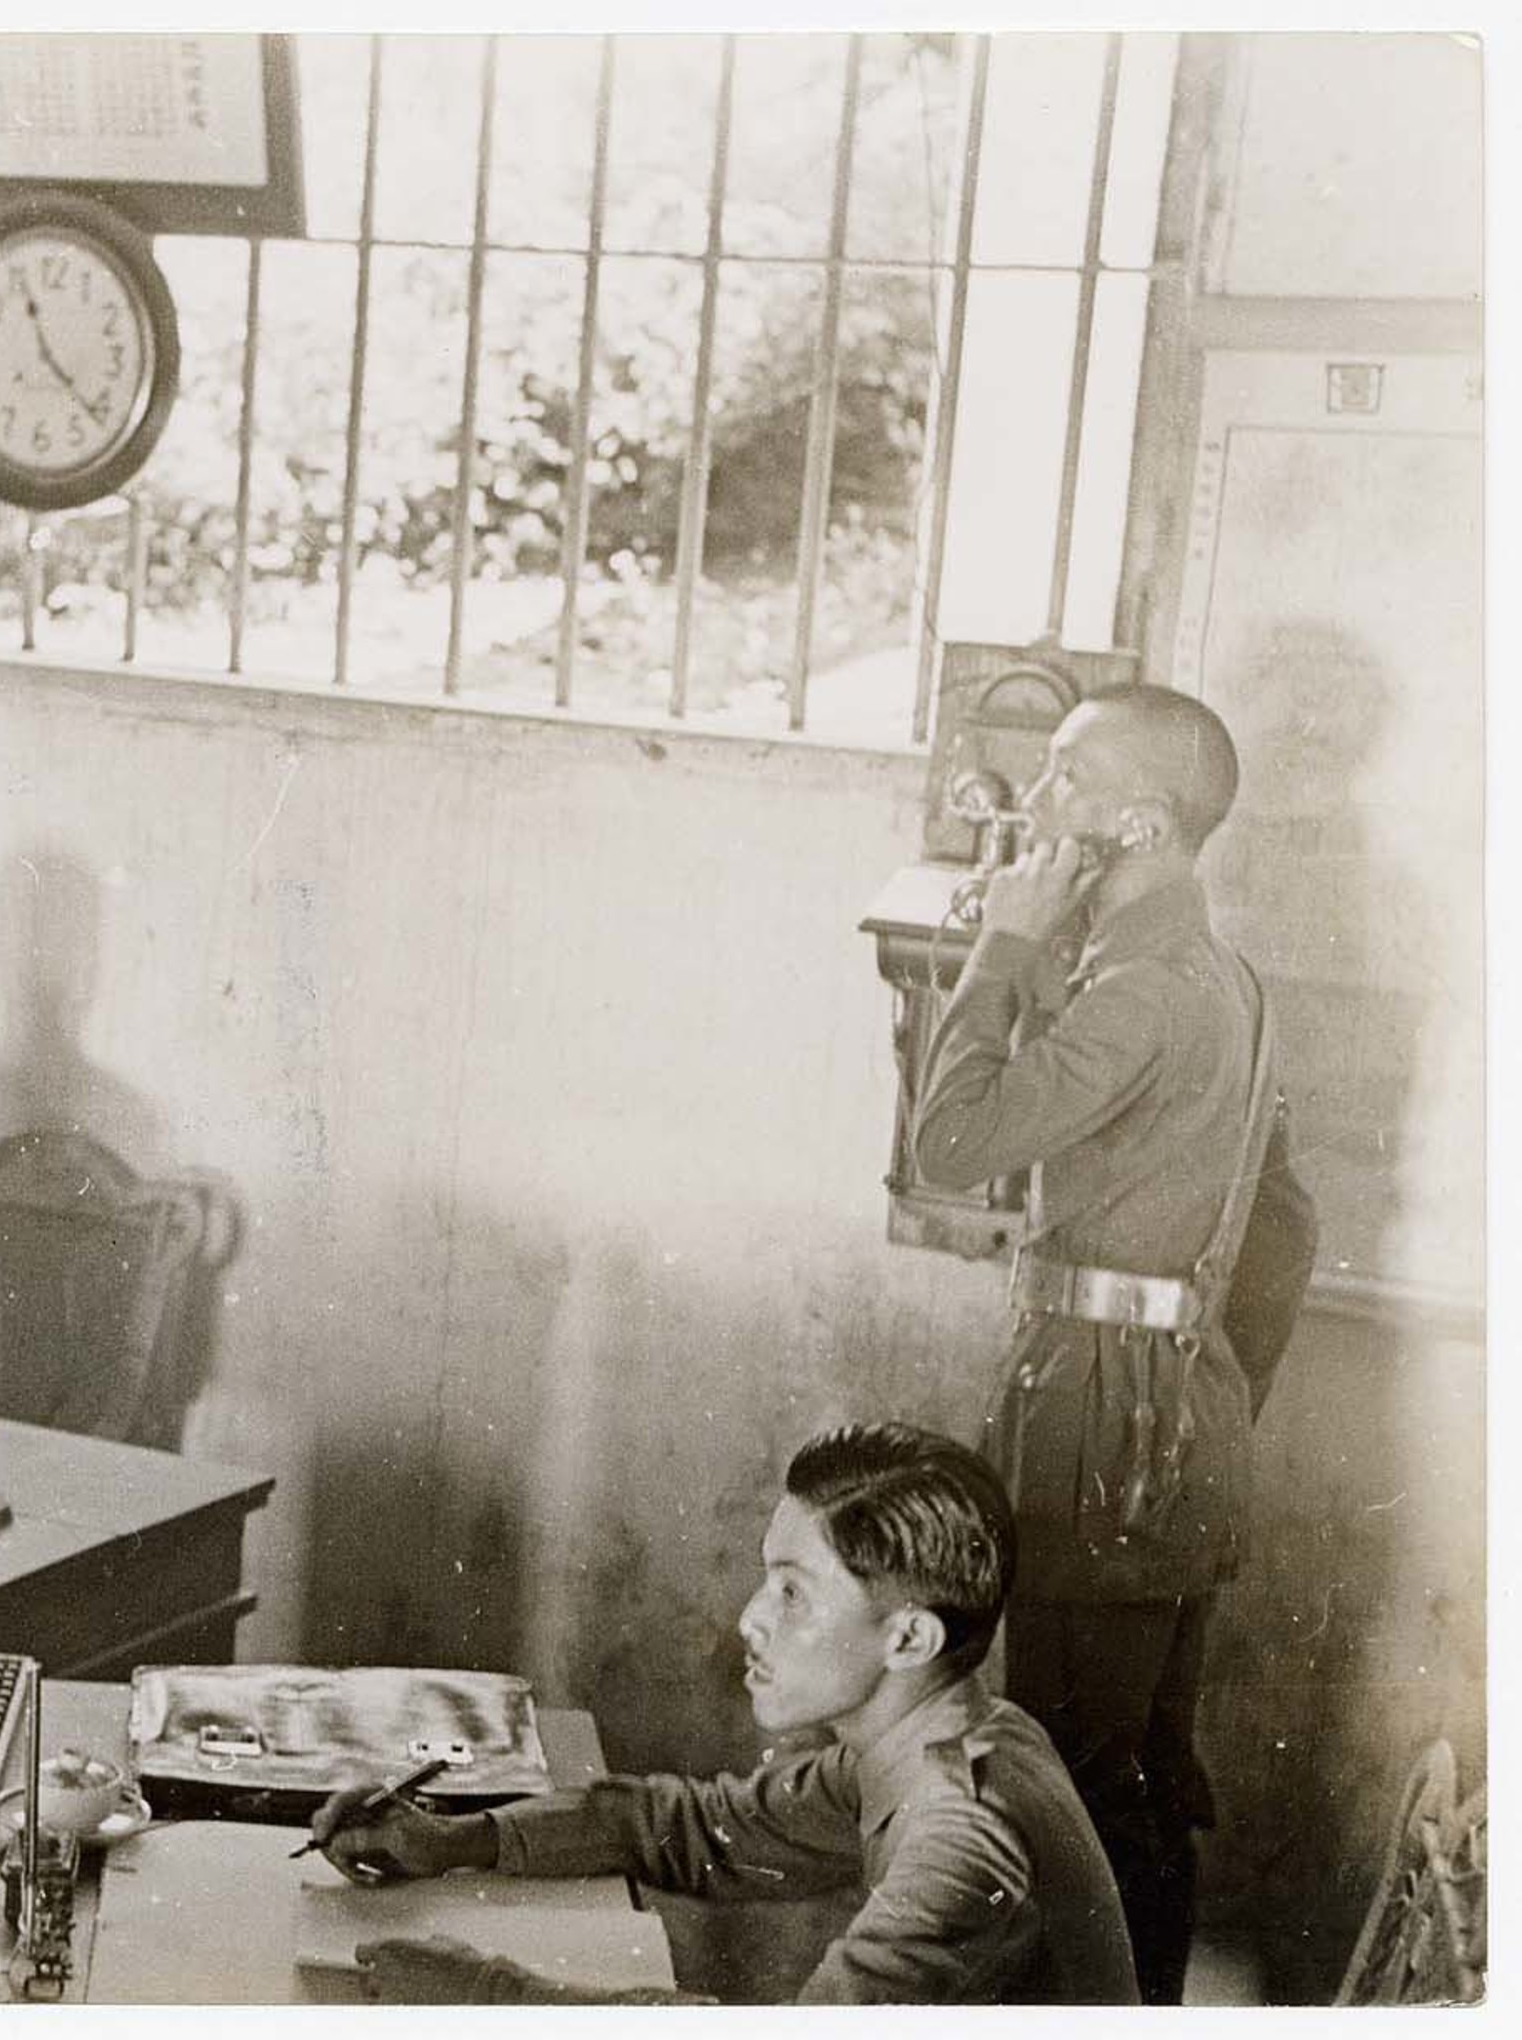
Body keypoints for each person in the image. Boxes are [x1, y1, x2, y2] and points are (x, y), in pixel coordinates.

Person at [910, 684, 1312, 2003]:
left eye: (1070, 780)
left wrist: (997, 954)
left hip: (1099, 1434)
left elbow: (953, 1145)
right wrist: (1204, 1393)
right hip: (1173, 1428)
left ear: (1136, 820)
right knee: (1135, 1778)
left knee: (1070, 1786)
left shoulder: (1141, 990)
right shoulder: (1223, 979)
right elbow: (1284, 1233)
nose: (1041, 801)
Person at [311, 1423, 1139, 2006]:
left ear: (909, 1636)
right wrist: (459, 1838)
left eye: (792, 1591)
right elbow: (703, 1829)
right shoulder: (943, 1737)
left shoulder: (964, 1841)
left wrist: (489, 1998)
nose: (750, 1618)